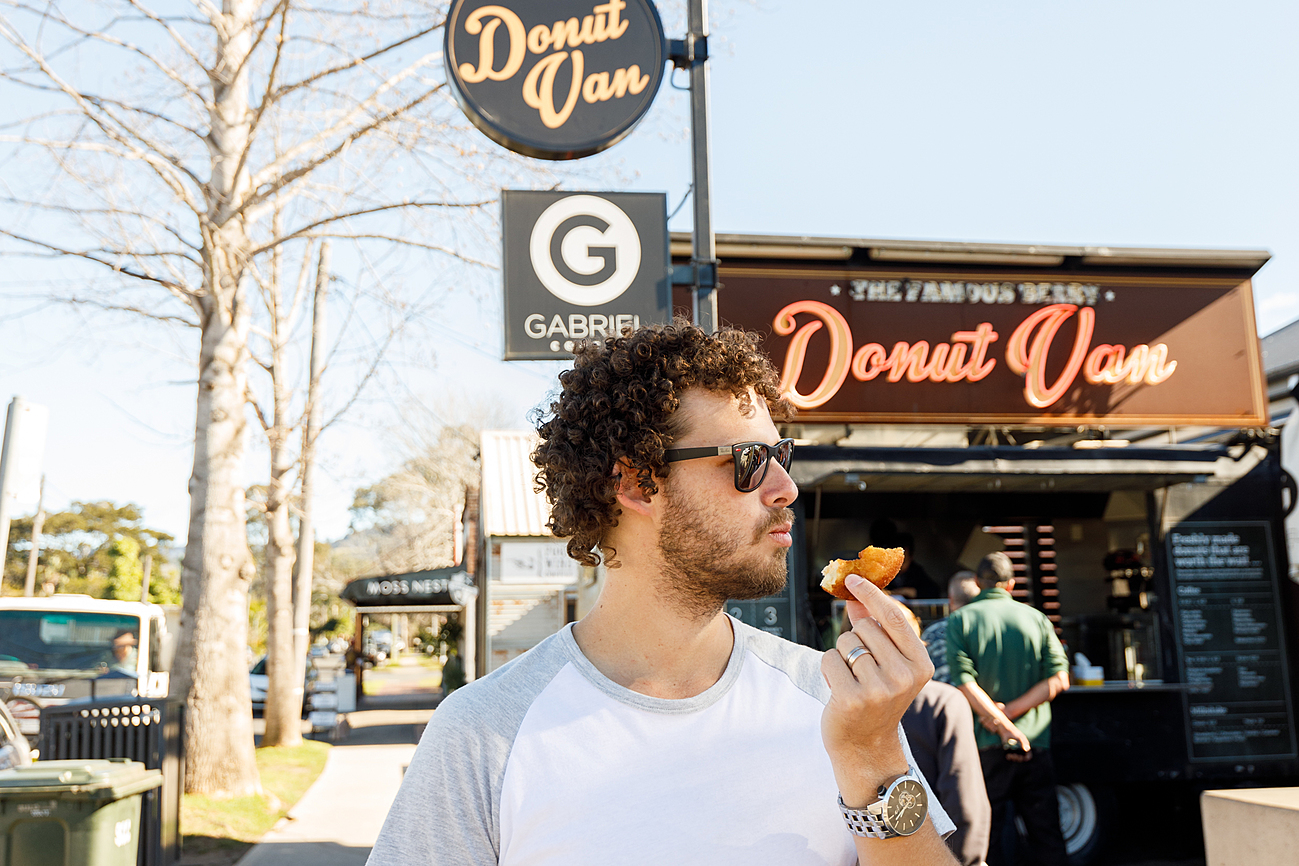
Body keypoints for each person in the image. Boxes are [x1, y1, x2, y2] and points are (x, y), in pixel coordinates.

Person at [368, 321, 956, 866]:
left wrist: (873, 758)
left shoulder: (835, 703)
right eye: (751, 460)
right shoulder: (484, 732)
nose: (785, 488)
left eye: (783, 456)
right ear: (636, 483)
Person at [946, 552, 1071, 866]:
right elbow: (1059, 678)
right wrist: (1013, 714)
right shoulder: (1036, 618)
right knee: (1047, 837)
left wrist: (1000, 721)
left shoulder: (960, 620)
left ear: (977, 582)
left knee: (989, 838)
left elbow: (965, 682)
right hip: (1035, 743)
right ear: (1012, 583)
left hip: (986, 746)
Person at [846, 603, 991, 866]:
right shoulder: (944, 701)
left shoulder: (837, 706)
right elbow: (963, 799)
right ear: (917, 645)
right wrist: (965, 860)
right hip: (928, 853)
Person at [921, 571, 981, 683]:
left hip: (940, 698)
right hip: (982, 698)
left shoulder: (931, 632)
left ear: (951, 599)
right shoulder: (985, 629)